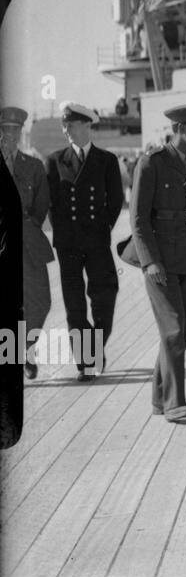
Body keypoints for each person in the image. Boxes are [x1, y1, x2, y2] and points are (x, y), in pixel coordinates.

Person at [130, 102, 186, 419]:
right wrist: (149, 262)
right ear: (180, 128)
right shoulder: (151, 164)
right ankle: (174, 403)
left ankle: (158, 397)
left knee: (182, 331)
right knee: (173, 331)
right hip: (161, 264)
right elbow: (139, 220)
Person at [46, 102, 124, 381]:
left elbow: (116, 201)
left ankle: (95, 345)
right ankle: (84, 362)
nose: (65, 129)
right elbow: (52, 204)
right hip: (68, 245)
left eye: (71, 124)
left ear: (86, 126)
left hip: (97, 241)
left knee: (105, 296)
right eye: (65, 124)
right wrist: (64, 232)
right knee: (74, 304)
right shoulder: (55, 161)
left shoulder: (107, 161)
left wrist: (102, 228)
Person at [1, 107, 54, 380]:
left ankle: (24, 349)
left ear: (20, 134)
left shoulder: (33, 167)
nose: (9, 136)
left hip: (28, 243)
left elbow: (41, 206)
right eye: (5, 130)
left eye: (14, 131)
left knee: (41, 302)